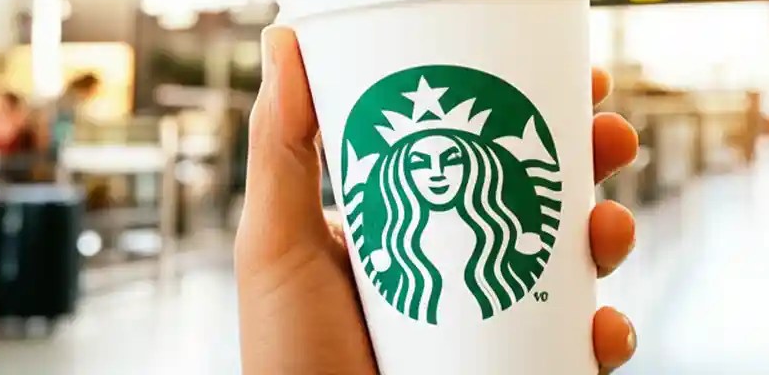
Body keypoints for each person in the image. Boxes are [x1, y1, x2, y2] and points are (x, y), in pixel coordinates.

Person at [235, 26, 639, 374]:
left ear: (479, 167)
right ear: (398, 173)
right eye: (420, 163)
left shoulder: (509, 244)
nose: (437, 172)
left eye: (451, 158)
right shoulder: (391, 254)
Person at [50, 72, 101, 155]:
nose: (94, 92)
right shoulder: (70, 100)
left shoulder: (76, 100)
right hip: (60, 138)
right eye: (94, 89)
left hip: (65, 138)